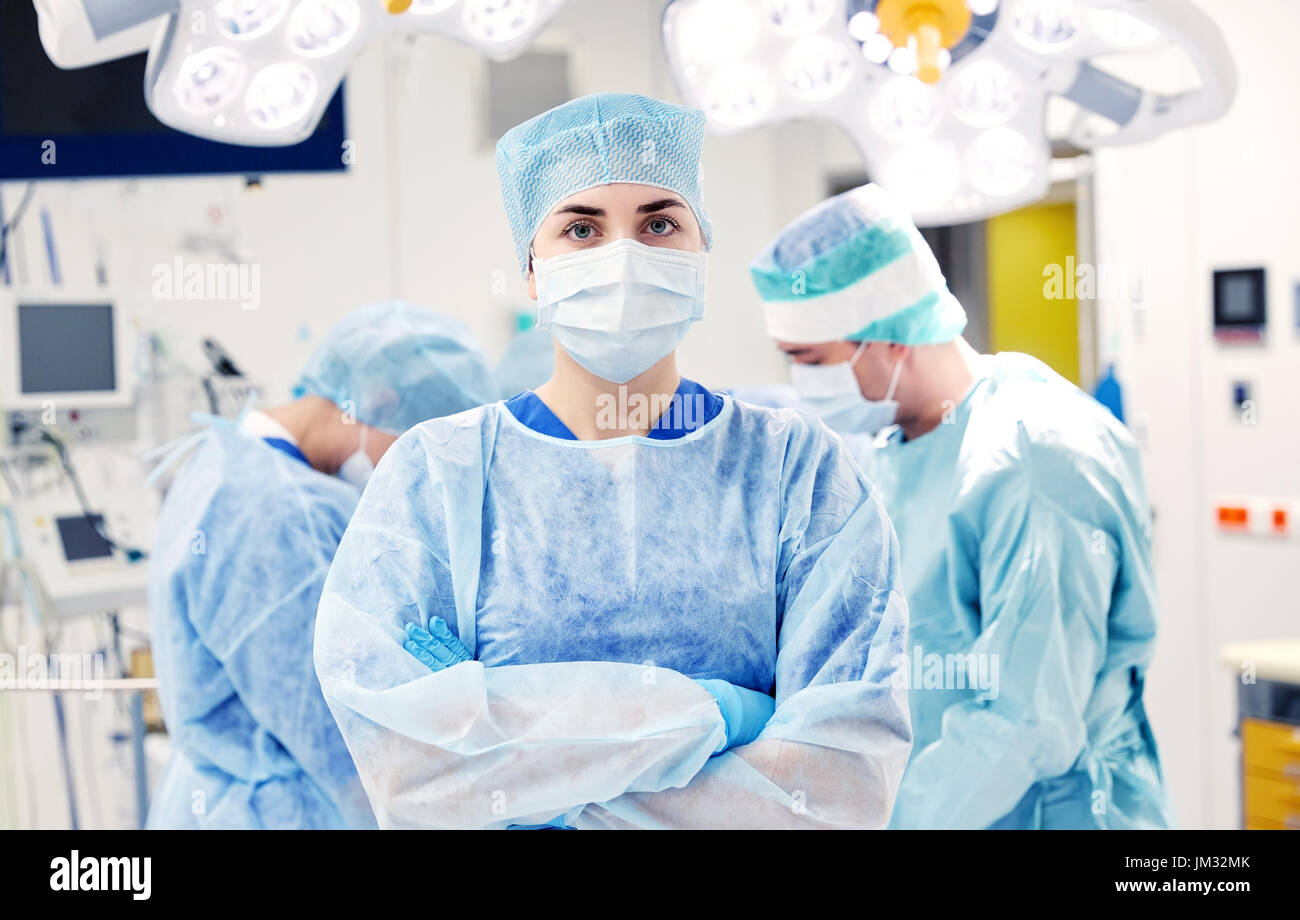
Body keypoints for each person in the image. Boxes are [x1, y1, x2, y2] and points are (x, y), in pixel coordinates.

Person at [314, 93, 912, 830]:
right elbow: (411, 771)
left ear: (699, 255)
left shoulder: (800, 471)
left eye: (660, 223)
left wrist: (530, 775)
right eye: (581, 228)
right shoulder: (437, 477)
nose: (624, 255)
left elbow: (841, 779)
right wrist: (720, 716)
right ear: (532, 271)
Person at [750, 183, 1172, 829]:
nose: (805, 384)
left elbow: (1029, 717)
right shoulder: (904, 443)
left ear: (888, 338)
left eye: (811, 361)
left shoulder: (1033, 457)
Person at [147, 300, 497, 829]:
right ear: (378, 401)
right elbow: (338, 735)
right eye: (415, 452)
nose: (418, 481)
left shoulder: (231, 464)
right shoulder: (280, 514)